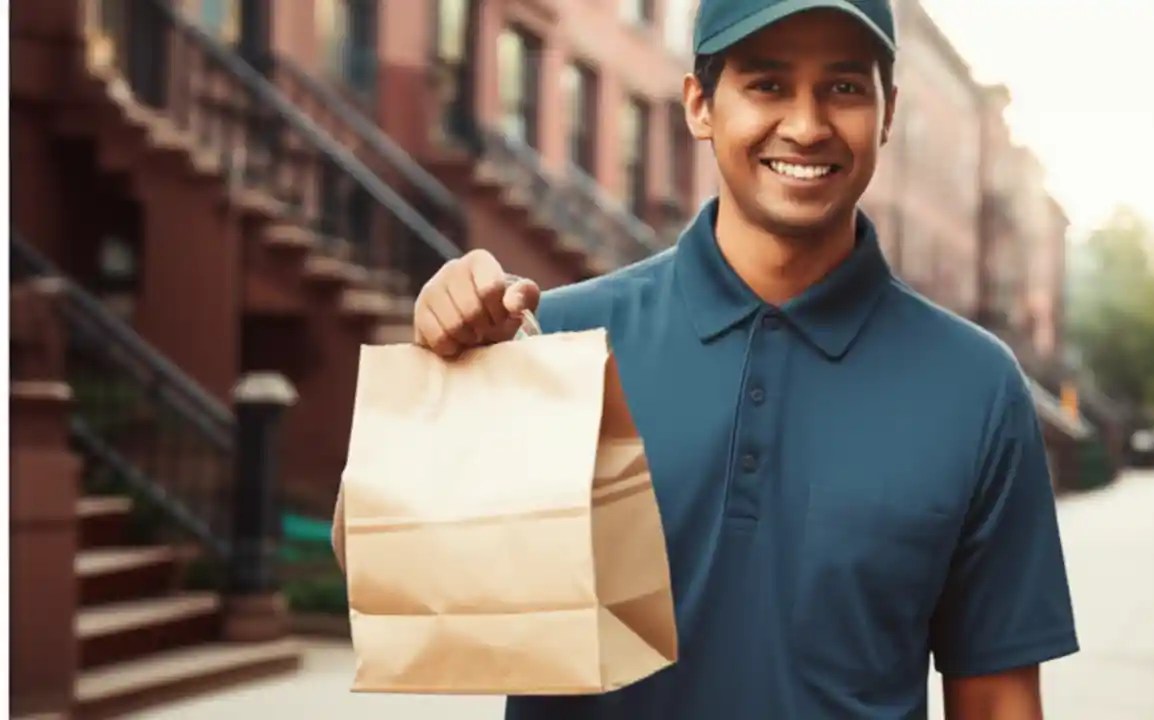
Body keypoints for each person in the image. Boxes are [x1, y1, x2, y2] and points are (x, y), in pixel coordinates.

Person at [334, 0, 1078, 717]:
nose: (807, 124)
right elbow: (380, 570)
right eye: (767, 84)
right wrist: (449, 372)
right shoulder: (556, 340)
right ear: (699, 104)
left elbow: (996, 700)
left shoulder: (974, 386)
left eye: (845, 88)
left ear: (886, 113)